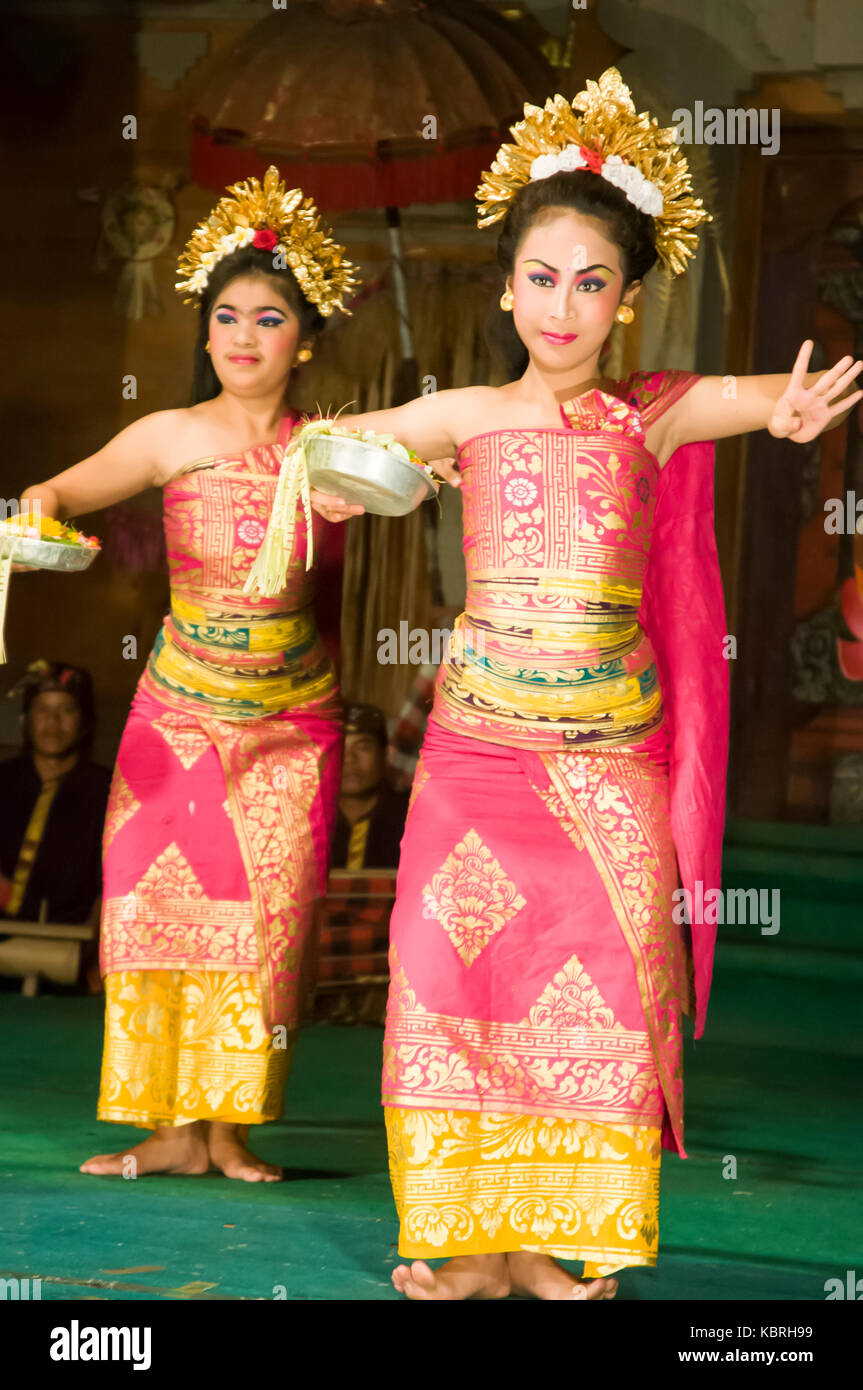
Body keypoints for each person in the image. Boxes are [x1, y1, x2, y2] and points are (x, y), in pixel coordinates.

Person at [305, 70, 862, 1297]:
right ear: (506, 288)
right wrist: (351, 477)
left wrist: (791, 407)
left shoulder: (648, 417)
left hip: (609, 758)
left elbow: (761, 397)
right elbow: (332, 454)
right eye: (540, 278)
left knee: (596, 985)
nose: (562, 306)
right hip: (475, 759)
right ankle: (470, 1247)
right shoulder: (461, 412)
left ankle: (552, 1247)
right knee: (454, 972)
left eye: (591, 281)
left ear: (626, 300)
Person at [21, 168, 356, 1181]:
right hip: (176, 715)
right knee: (158, 903)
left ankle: (230, 1127)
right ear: (204, 331)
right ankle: (169, 1125)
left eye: (269, 318)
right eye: (226, 316)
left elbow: (415, 481)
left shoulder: (329, 449)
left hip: (291, 719)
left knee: (266, 919)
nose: (244, 336)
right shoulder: (169, 435)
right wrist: (36, 512)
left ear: (305, 339)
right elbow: (59, 489)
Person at [0, 660, 110, 934]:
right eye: (42, 709)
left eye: (67, 710)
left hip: (69, 941)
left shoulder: (107, 792)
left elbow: (113, 878)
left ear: (85, 722)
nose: (53, 722)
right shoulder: (4, 780)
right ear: (26, 719)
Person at [331, 702, 410, 869]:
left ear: (384, 754)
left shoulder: (412, 818)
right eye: (338, 747)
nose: (349, 759)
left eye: (362, 748)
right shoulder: (305, 820)